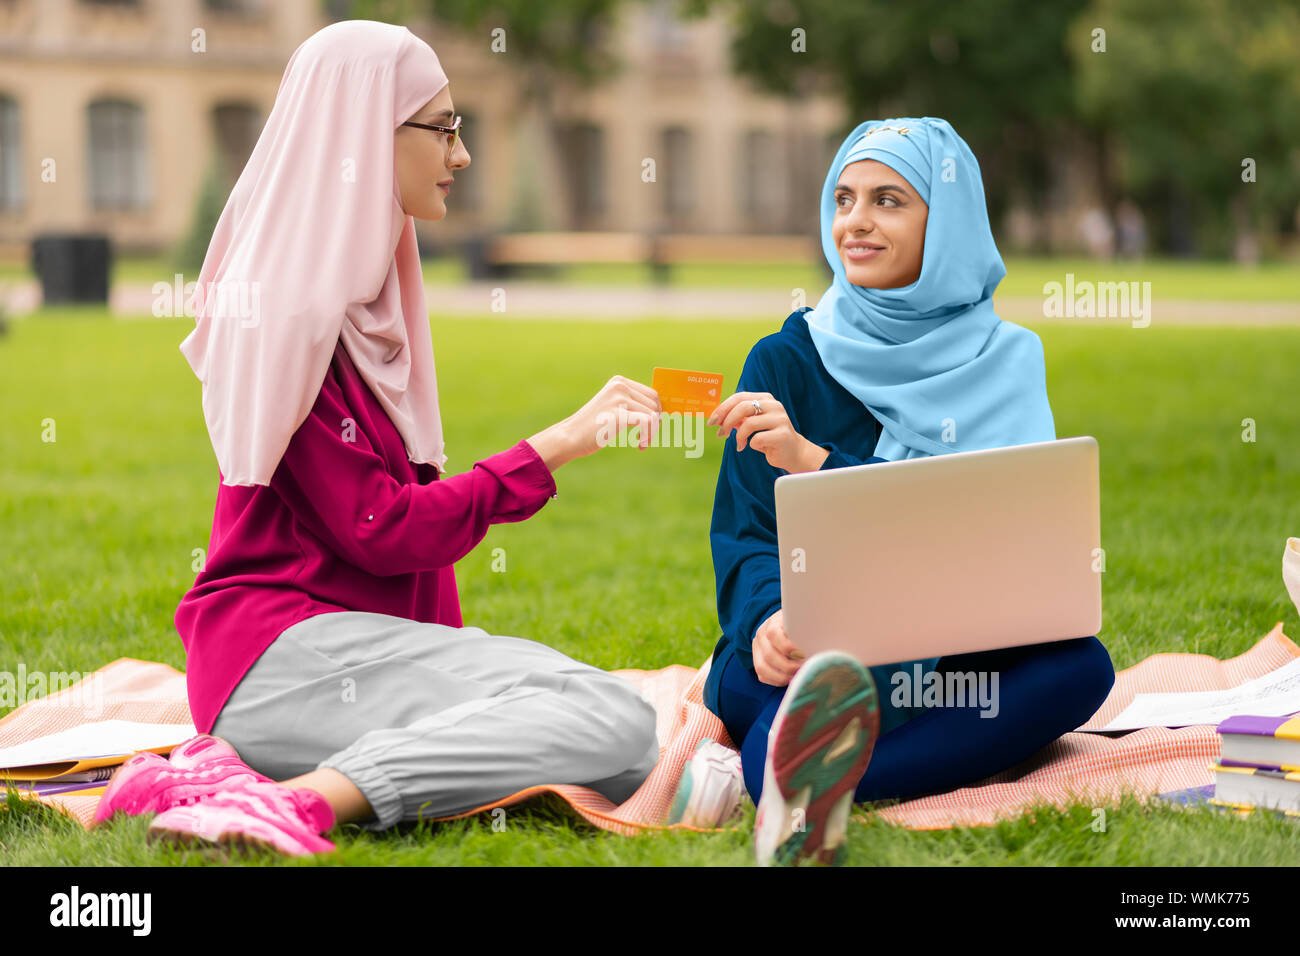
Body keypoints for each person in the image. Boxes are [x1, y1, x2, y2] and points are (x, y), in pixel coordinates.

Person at [91, 20, 664, 856]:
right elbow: (381, 527)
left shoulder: (360, 298)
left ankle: (221, 776)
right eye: (443, 127)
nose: (460, 155)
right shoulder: (290, 315)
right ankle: (303, 804)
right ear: (361, 131)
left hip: (339, 645)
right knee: (607, 717)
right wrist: (553, 448)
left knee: (611, 735)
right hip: (281, 654)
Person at [700, 117, 1116, 866]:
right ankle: (797, 768)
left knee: (1082, 669)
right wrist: (766, 623)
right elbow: (746, 535)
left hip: (952, 651)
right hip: (812, 652)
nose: (854, 221)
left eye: (888, 200)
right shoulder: (784, 362)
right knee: (769, 705)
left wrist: (820, 463)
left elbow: (1003, 540)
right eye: (843, 199)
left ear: (947, 221)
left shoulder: (1008, 360)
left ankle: (816, 781)